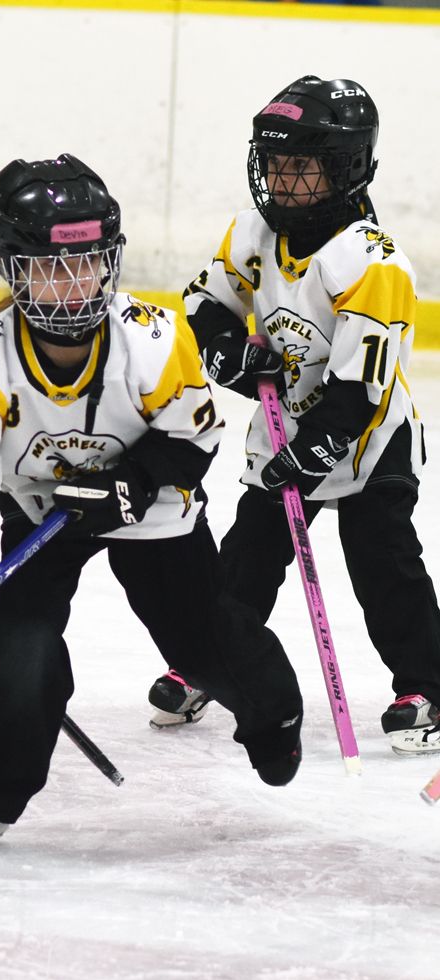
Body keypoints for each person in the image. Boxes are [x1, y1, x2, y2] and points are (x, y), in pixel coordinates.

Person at [0, 154, 305, 845]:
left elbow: (193, 438)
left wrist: (134, 481)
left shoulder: (152, 338)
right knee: (20, 652)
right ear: (10, 266)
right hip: (42, 514)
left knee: (200, 638)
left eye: (88, 263)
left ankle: (274, 714)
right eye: (50, 268)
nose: (73, 285)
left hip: (151, 510)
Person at [146, 76, 440, 757]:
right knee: (246, 559)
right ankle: (207, 663)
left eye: (301, 168)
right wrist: (228, 352)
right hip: (281, 428)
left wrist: (318, 449)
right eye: (275, 165)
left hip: (370, 442)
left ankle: (426, 686)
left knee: (384, 561)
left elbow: (359, 389)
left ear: (346, 168)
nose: (283, 182)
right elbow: (203, 304)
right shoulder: (255, 230)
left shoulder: (371, 261)